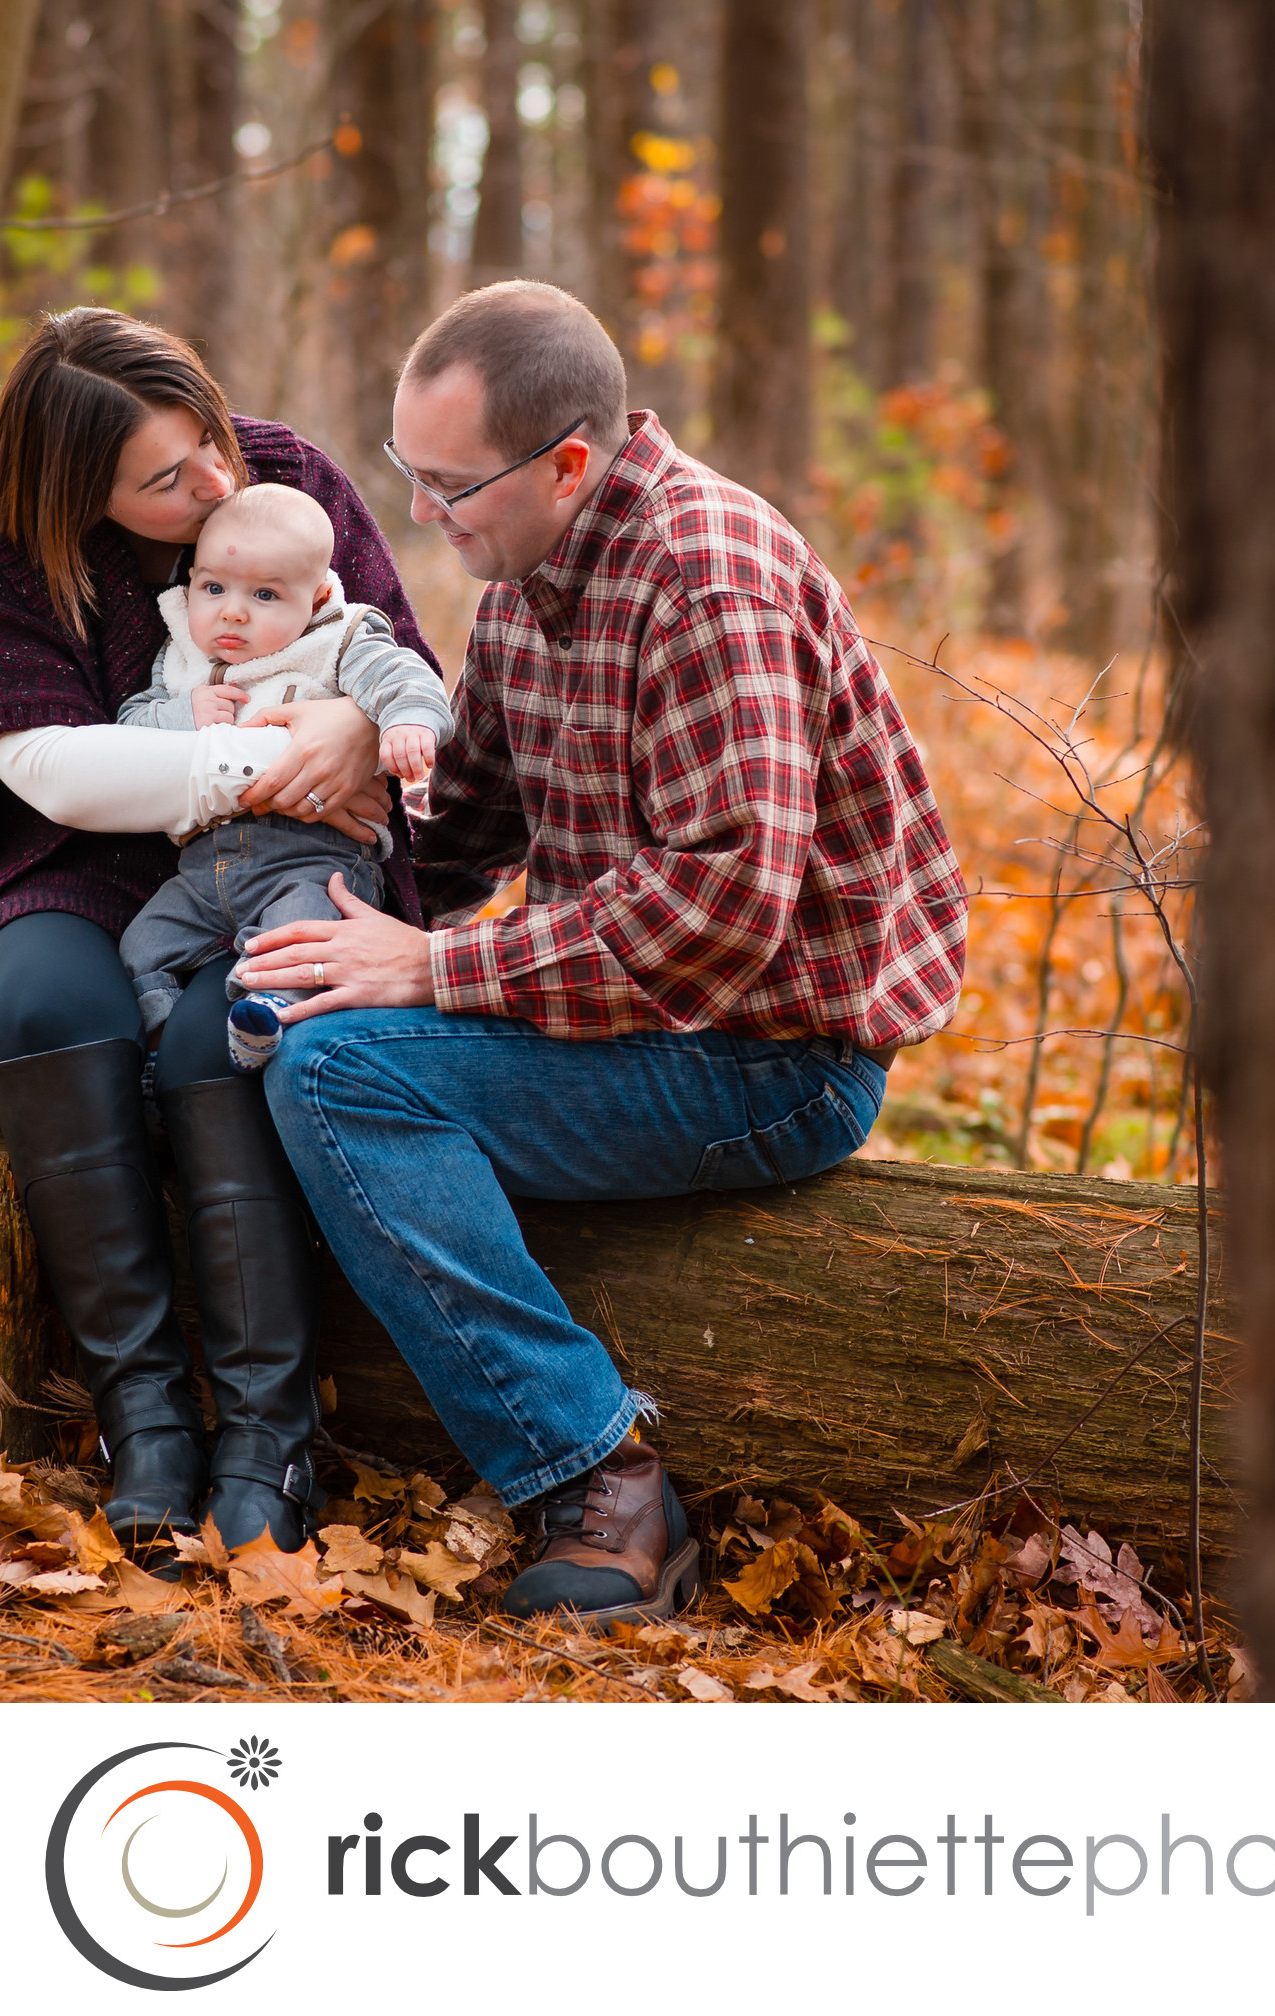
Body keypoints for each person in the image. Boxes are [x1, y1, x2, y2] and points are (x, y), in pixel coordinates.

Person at [234, 280, 971, 1624]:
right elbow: (454, 834)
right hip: (633, 1019)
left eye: (452, 487)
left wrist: (431, 970)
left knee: (341, 1079)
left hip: (770, 1053)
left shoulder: (708, 578)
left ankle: (598, 1478)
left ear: (567, 463)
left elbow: (722, 914)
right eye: (414, 473)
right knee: (292, 1022)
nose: (425, 517)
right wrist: (300, 853)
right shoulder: (528, 582)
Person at [0, 308, 440, 1563]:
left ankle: (268, 1435)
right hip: (65, 861)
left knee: (220, 1048)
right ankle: (146, 1416)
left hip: (288, 856)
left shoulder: (288, 479)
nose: (216, 484)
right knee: (60, 1006)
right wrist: (258, 754)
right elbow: (53, 766)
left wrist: (347, 736)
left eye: (208, 443)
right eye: (167, 480)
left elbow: (398, 667)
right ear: (78, 490)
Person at [114, 482, 453, 1072]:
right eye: (213, 588)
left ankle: (266, 1016)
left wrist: (405, 725)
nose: (233, 610)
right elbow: (128, 727)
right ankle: (158, 1037)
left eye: (266, 594)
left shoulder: (337, 641)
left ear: (317, 595)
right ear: (191, 580)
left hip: (310, 860)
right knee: (139, 947)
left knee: (298, 941)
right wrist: (179, 714)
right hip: (201, 871)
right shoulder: (182, 660)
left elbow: (410, 680)